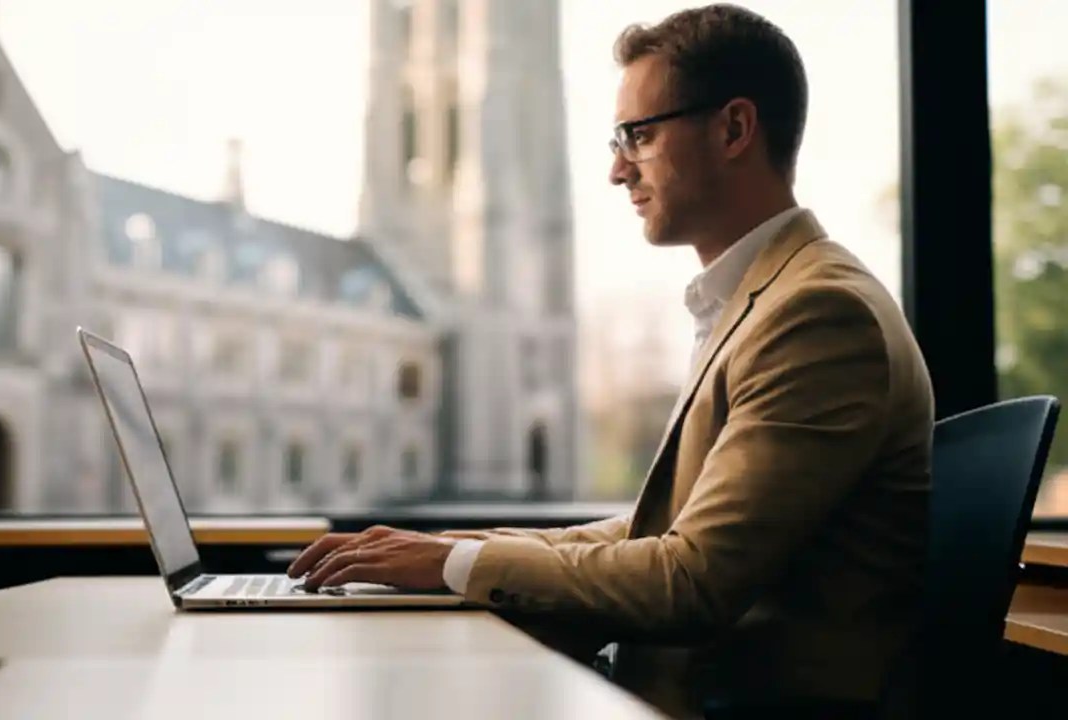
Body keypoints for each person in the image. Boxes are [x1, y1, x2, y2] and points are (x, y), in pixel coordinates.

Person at [288, 4, 933, 717]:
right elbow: (654, 533)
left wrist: (450, 564)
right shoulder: (764, 299)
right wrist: (451, 548)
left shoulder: (817, 317)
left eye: (640, 135)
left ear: (734, 129)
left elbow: (690, 581)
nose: (617, 169)